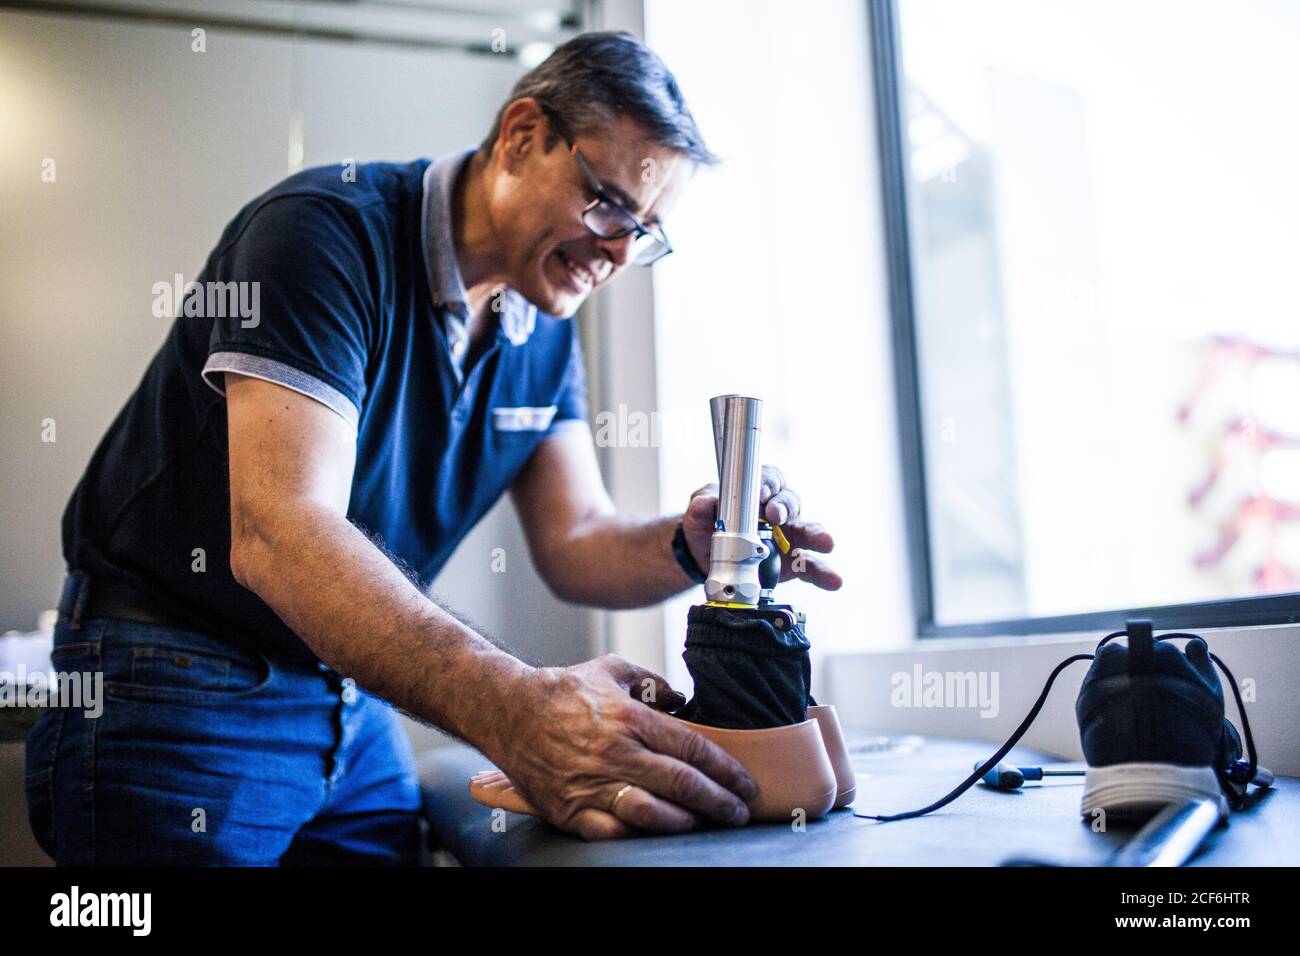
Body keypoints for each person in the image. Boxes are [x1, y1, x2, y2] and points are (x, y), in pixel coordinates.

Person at [27, 30, 840, 865]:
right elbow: (280, 534)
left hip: (351, 695)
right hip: (178, 680)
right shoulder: (322, 236)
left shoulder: (540, 325)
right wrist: (517, 707)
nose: (618, 253)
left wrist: (686, 543)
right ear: (523, 135)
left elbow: (576, 543)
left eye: (646, 235)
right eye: (609, 207)